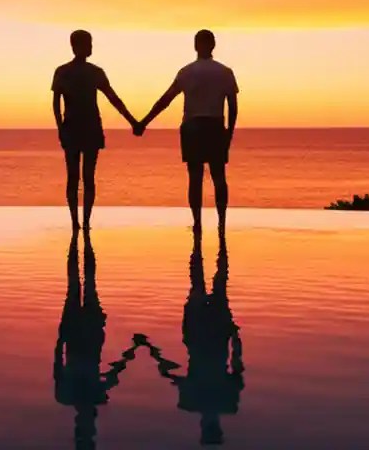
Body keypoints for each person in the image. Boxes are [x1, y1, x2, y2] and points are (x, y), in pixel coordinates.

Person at [139, 227, 244, 445]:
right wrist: (234, 335)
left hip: (204, 338)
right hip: (208, 338)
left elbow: (237, 365)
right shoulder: (224, 404)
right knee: (212, 284)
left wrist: (233, 335)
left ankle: (202, 243)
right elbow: (237, 365)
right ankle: (211, 242)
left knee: (208, 283)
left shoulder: (194, 402)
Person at [137, 30, 239, 230]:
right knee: (219, 176)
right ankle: (221, 221)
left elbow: (165, 100)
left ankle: (197, 222)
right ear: (213, 46)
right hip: (215, 126)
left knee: (195, 178)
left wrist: (144, 122)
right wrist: (229, 134)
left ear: (195, 46)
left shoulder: (186, 72)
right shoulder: (225, 72)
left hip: (192, 127)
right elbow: (233, 107)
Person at [54, 229, 138, 450]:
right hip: (87, 338)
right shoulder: (92, 396)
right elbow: (114, 371)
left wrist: (60, 338)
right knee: (84, 285)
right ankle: (83, 239)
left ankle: (80, 238)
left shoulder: (66, 396)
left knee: (78, 285)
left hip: (78, 337)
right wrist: (134, 349)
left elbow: (57, 366)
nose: (84, 423)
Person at [53, 30, 139, 229]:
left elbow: (113, 98)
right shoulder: (68, 71)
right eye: (88, 44)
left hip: (83, 127)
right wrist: (60, 127)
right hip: (80, 127)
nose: (90, 48)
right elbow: (57, 102)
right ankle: (78, 221)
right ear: (76, 46)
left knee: (82, 176)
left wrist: (132, 121)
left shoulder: (87, 72)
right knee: (77, 176)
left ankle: (83, 221)